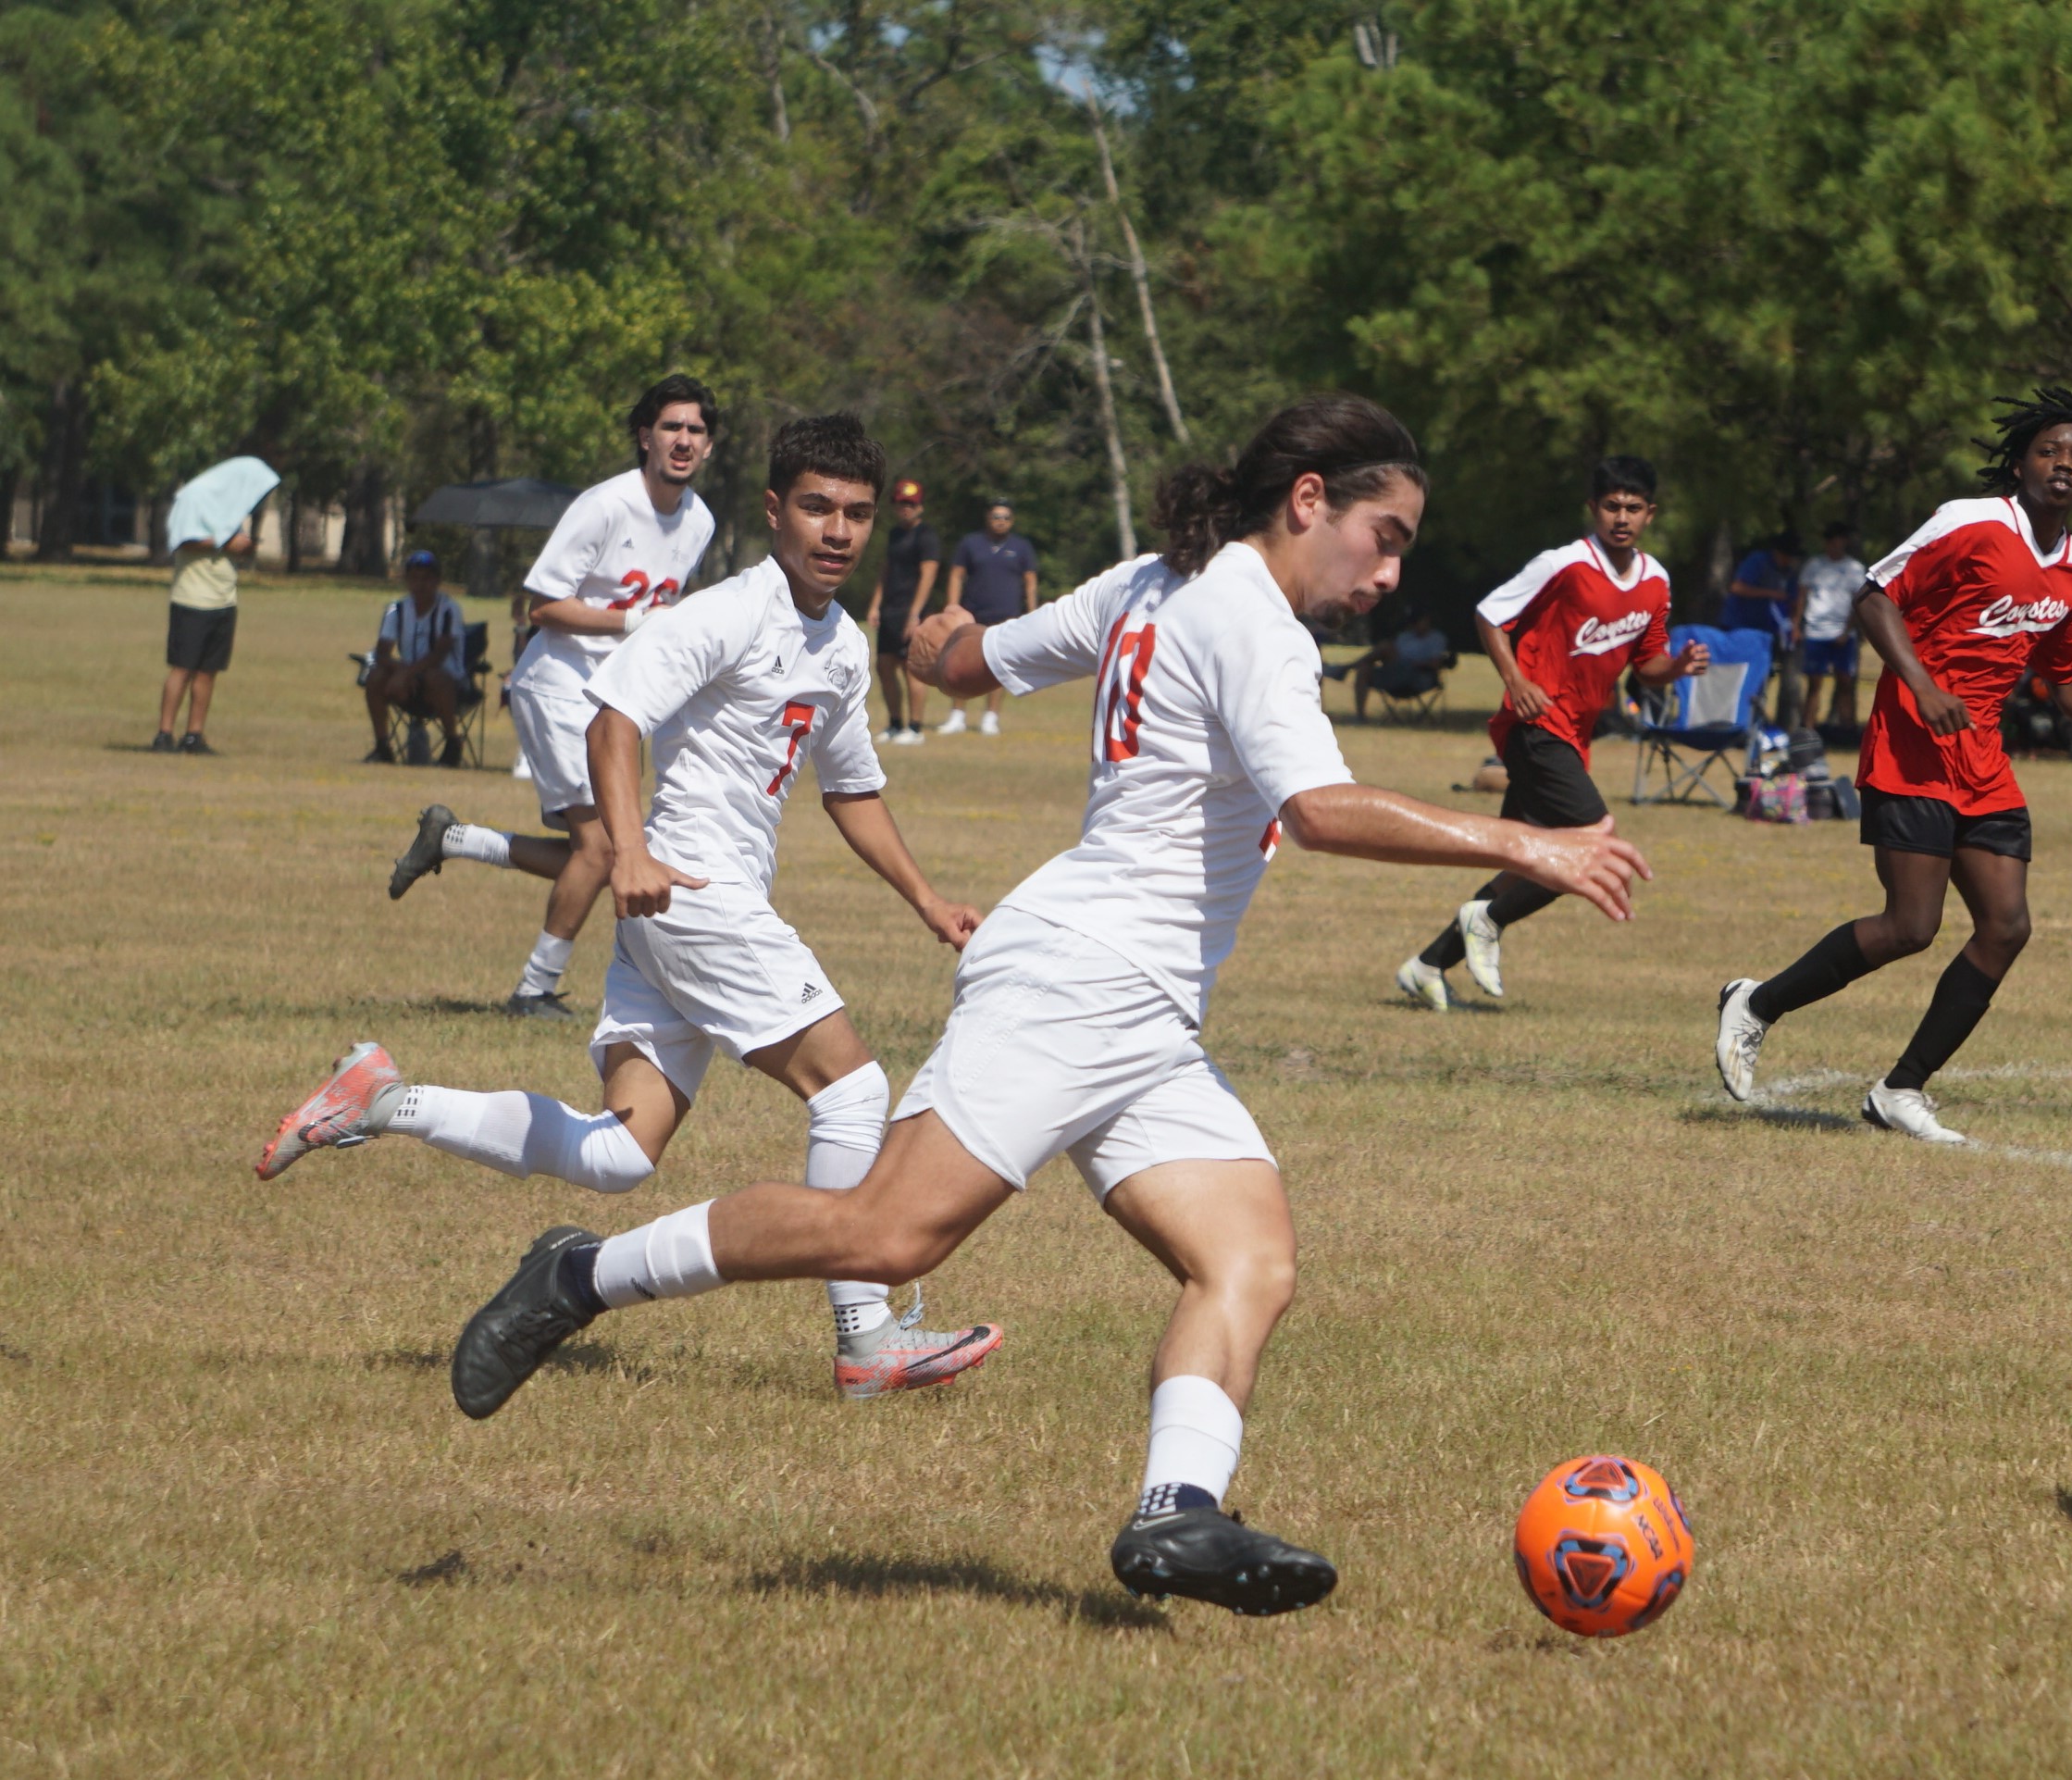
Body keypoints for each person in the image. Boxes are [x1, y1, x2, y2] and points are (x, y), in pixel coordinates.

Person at [428, 393, 1649, 1618]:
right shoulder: (1251, 621)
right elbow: (1320, 809)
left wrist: (939, 644)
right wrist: (1527, 844)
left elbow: (967, 661)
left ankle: (1177, 1510)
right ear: (1306, 500)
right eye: (1380, 536)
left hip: (1141, 1008)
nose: (1388, 570)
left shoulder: (1153, 577)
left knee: (1247, 1255)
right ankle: (583, 1272)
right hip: (1075, 977)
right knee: (887, 1234)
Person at [262, 415, 1001, 1401]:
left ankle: (383, 1100)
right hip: (692, 893)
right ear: (775, 509)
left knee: (618, 1153)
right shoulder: (723, 613)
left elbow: (850, 790)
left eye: (856, 514)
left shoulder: (834, 646)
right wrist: (631, 851)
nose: (837, 531)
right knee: (853, 1093)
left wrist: (928, 901)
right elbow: (614, 722)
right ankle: (865, 1336)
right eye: (817, 507)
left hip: (680, 910)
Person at [1715, 389, 2072, 1139]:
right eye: (2050, 452)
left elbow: (2063, 672)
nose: (2064, 466)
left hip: (1982, 755)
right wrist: (1924, 684)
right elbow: (1876, 598)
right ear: (2019, 462)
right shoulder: (1970, 521)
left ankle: (1899, 1090)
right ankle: (1756, 1002)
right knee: (1911, 925)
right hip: (1912, 735)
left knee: (2007, 926)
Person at [387, 375, 720, 1019]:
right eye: (671, 427)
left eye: (696, 430)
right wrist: (629, 624)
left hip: (619, 700)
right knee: (604, 848)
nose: (683, 439)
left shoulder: (700, 521)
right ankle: (533, 990)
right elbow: (542, 606)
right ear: (644, 436)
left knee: (593, 854)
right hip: (560, 685)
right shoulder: (605, 505)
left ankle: (453, 839)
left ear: (708, 447)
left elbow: (663, 608)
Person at [1396, 455, 1708, 1012]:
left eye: (1633, 508)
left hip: (1573, 736)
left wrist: (1678, 666)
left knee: (1525, 861)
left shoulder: (1656, 581)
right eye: (1611, 505)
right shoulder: (1563, 564)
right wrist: (1515, 679)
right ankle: (1487, 920)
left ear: (1650, 514)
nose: (1622, 517)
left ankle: (1426, 966)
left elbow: (1648, 664)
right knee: (1589, 844)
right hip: (1535, 726)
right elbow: (1490, 615)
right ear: (1593, 509)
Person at [938, 500, 1037, 736]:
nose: (1000, 521)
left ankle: (990, 718)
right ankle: (957, 715)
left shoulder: (1021, 547)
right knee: (961, 662)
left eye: (1005, 517)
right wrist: (952, 605)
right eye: (996, 517)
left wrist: (1033, 612)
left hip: (1006, 615)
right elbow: (956, 574)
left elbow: (1030, 581)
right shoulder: (971, 544)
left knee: (999, 666)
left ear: (1011, 521)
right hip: (974, 613)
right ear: (987, 518)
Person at [156, 521, 255, 755]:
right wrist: (223, 543)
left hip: (223, 600)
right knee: (182, 668)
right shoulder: (193, 508)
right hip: (191, 599)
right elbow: (183, 542)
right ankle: (164, 734)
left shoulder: (232, 515)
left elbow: (242, 549)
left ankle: (194, 735)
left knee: (208, 671)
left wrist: (246, 546)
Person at [364, 550, 468, 766]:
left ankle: (452, 743)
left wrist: (405, 674)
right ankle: (383, 746)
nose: (420, 585)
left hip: (446, 683)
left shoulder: (449, 609)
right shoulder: (397, 609)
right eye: (414, 578)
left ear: (437, 580)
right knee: (375, 677)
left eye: (427, 579)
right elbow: (382, 652)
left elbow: (439, 654)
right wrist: (401, 673)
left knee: (435, 677)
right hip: (406, 681)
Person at [862, 478, 940, 745]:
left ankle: (915, 728)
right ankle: (895, 723)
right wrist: (875, 605)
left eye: (911, 503)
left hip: (912, 612)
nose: (905, 508)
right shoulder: (895, 535)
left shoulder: (927, 536)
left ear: (920, 506)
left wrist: (915, 614)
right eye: (901, 503)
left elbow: (928, 575)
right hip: (890, 611)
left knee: (912, 669)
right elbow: (886, 571)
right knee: (884, 666)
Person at [1799, 523, 1869, 729]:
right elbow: (1802, 596)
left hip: (1842, 632)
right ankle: (1808, 728)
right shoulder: (1814, 565)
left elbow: (1857, 602)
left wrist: (1848, 631)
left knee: (1845, 682)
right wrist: (1797, 624)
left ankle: (1846, 729)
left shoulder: (1854, 568)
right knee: (1814, 684)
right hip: (1816, 631)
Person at [1334, 608, 1457, 718]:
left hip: (1419, 677)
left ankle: (1345, 668)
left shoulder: (1436, 639)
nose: (1415, 625)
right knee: (1365, 668)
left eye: (1418, 621)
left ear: (1427, 621)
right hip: (1394, 674)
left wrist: (1414, 664)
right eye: (1413, 622)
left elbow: (1435, 664)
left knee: (1385, 647)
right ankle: (1360, 716)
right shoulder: (1405, 637)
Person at [1720, 530, 1803, 644]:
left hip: (1766, 629)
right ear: (1776, 552)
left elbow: (1792, 600)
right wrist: (1771, 594)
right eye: (1784, 556)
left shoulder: (1790, 573)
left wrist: (1794, 625)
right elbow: (1737, 588)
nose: (1787, 560)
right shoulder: (1758, 561)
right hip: (1739, 623)